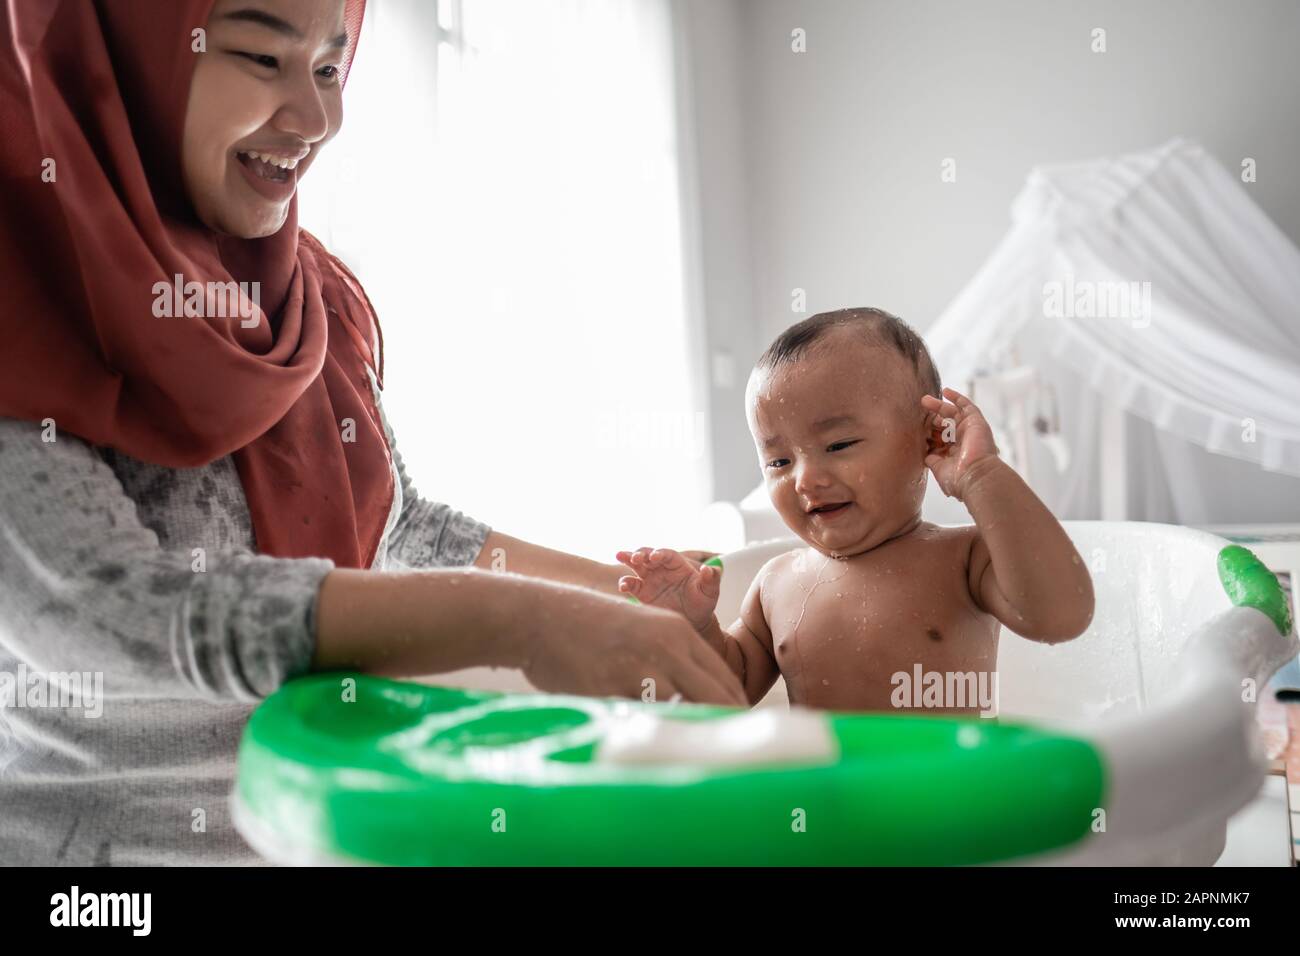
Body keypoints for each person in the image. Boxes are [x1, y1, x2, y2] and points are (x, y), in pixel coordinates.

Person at [0, 0, 743, 866]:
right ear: (119, 56)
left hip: (310, 840)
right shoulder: (24, 292)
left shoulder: (303, 294)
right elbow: (108, 606)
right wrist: (531, 625)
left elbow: (401, 525)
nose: (320, 119)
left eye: (328, 67)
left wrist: (620, 602)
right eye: (260, 57)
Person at [616, 308, 1095, 713]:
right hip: (828, 811)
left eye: (838, 444)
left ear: (929, 439)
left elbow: (1061, 615)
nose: (803, 478)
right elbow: (730, 691)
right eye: (779, 460)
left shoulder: (963, 560)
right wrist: (696, 628)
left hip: (945, 803)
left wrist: (982, 475)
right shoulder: (774, 584)